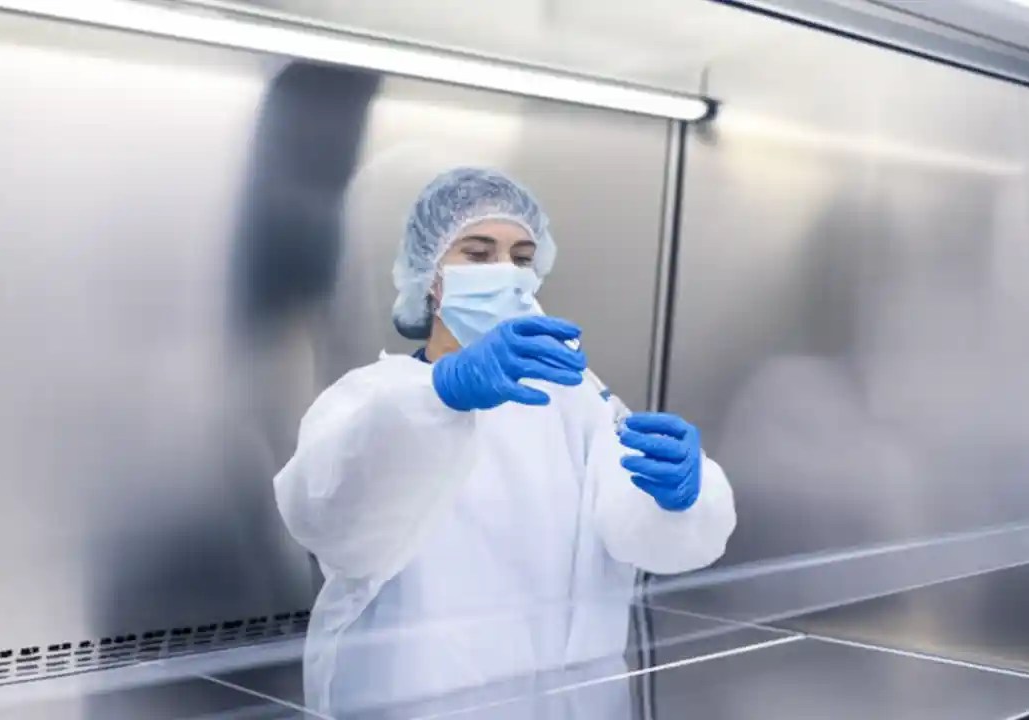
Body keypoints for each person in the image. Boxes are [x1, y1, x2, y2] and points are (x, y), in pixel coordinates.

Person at [274, 167, 737, 716]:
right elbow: (334, 526)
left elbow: (641, 537)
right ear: (430, 277)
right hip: (416, 702)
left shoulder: (575, 405)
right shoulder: (373, 398)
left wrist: (682, 498)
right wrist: (443, 397)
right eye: (477, 253)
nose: (506, 273)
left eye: (521, 258)